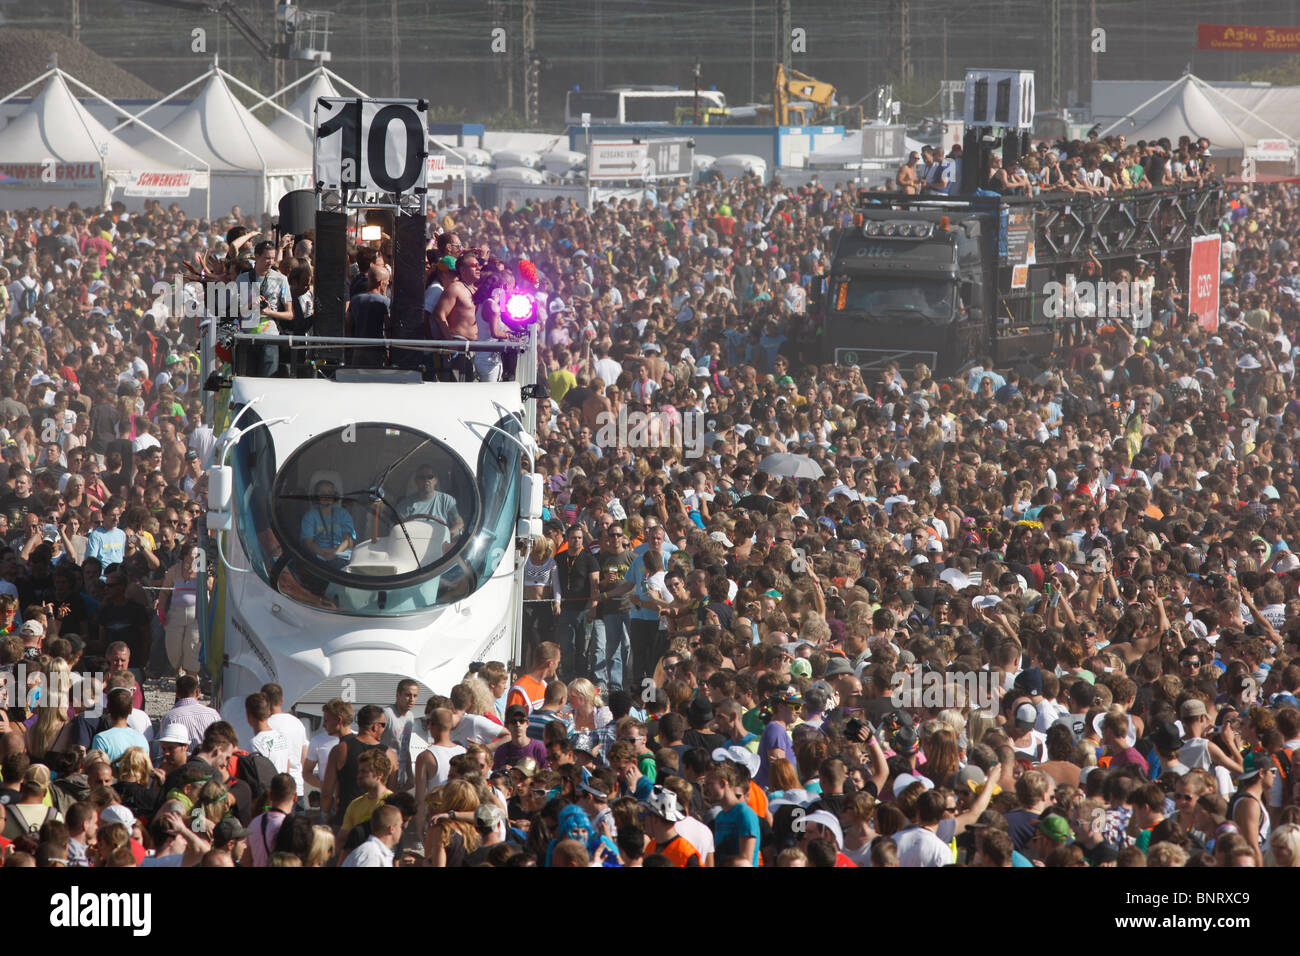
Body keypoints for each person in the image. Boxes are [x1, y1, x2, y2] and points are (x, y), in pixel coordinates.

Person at [300, 479, 356, 570]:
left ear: (335, 496)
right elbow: (308, 543)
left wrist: (335, 553)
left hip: (340, 556)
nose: (327, 496)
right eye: (322, 493)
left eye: (330, 492)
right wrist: (323, 553)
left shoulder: (343, 514)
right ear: (316, 496)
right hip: (318, 557)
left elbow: (348, 541)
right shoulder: (309, 516)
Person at [342, 802, 402, 867]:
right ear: (392, 829)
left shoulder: (376, 853)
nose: (401, 830)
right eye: (400, 826)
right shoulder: (372, 855)